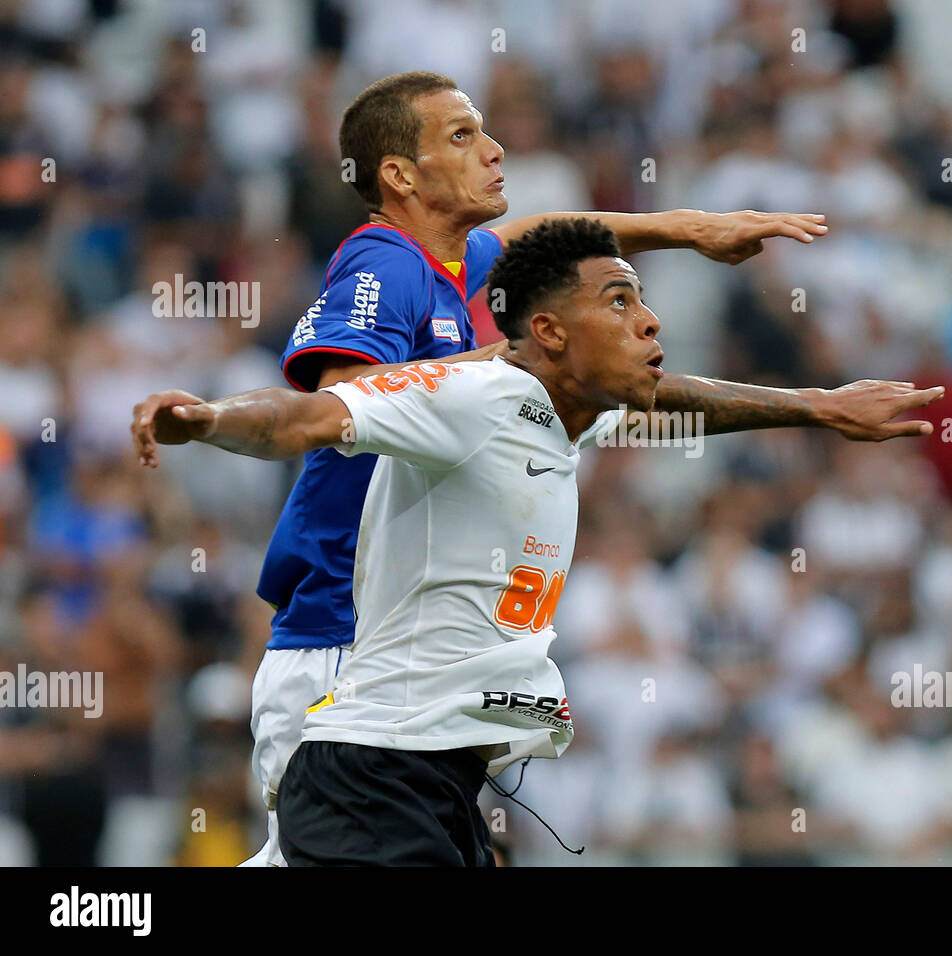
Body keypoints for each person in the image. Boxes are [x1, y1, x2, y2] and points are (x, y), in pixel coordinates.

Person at [131, 218, 943, 865]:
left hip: (433, 779)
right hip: (375, 773)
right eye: (620, 301)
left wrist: (819, 407)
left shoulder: (561, 414)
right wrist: (206, 420)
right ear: (549, 332)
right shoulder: (473, 396)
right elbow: (311, 415)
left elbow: (683, 403)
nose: (650, 318)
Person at [201, 68, 829, 865]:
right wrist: (486, 380)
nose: (494, 150)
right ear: (399, 175)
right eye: (462, 135)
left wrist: (687, 228)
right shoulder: (388, 266)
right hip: (347, 636)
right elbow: (338, 398)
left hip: (409, 651)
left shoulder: (470, 263)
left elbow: (561, 231)